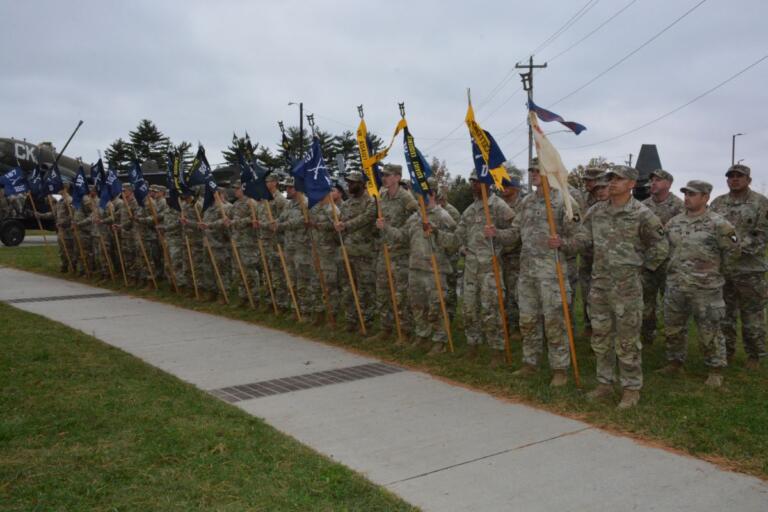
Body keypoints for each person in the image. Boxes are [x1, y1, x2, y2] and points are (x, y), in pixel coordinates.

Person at [560, 165, 668, 408]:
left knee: (628, 340)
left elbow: (660, 247)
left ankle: (631, 388)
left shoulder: (642, 213)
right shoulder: (597, 211)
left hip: (627, 287)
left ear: (631, 184)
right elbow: (583, 239)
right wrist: (562, 243)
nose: (612, 183)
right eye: (610, 179)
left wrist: (639, 271)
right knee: (601, 337)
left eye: (618, 179)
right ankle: (605, 383)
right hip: (600, 286)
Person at [504, 163, 580, 386]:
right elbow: (514, 233)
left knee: (555, 322)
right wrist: (496, 233)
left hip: (551, 275)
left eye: (539, 171)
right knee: (527, 320)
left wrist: (563, 243)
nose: (534, 174)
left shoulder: (565, 202)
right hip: (527, 273)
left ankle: (559, 369)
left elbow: (583, 239)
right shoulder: (526, 202)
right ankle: (530, 362)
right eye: (532, 171)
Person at [659, 180, 739, 387]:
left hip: (706, 288)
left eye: (693, 194)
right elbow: (662, 247)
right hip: (676, 285)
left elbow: (732, 253)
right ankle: (674, 362)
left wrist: (716, 275)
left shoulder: (719, 224)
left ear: (705, 197)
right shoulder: (674, 222)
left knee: (709, 330)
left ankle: (715, 368)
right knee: (673, 327)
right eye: (685, 193)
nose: (687, 197)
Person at [384, 177, 456, 354]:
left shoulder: (443, 216)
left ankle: (440, 340)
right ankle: (422, 335)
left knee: (436, 307)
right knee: (418, 306)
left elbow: (454, 243)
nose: (417, 198)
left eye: (420, 194)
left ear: (431, 194)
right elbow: (403, 236)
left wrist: (436, 231)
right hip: (415, 267)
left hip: (435, 270)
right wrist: (385, 227)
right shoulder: (416, 216)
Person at [453, 170, 515, 367]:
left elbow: (515, 232)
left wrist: (498, 236)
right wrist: (458, 246)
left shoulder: (498, 205)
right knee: (469, 310)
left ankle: (497, 350)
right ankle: (473, 345)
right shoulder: (470, 210)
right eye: (471, 182)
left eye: (477, 181)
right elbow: (458, 235)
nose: (473, 185)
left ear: (487, 183)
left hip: (490, 269)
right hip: (471, 270)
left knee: (492, 311)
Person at [710, 164, 768, 369]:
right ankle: (728, 351)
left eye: (739, 176)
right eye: (731, 176)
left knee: (752, 316)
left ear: (748, 180)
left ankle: (754, 355)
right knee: (724, 314)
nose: (734, 179)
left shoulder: (761, 203)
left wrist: (738, 248)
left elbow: (762, 234)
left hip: (750, 270)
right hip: (725, 270)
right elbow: (711, 232)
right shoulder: (718, 204)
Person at [373, 163, 418, 342]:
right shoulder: (382, 195)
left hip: (401, 253)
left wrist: (390, 228)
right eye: (383, 175)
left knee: (401, 295)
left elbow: (415, 222)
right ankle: (386, 328)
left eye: (388, 175)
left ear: (398, 177)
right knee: (382, 291)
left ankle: (405, 331)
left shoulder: (406, 198)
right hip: (384, 251)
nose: (384, 178)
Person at [641, 169, 684, 345]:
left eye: (658, 180)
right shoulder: (643, 206)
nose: (653, 183)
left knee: (672, 305)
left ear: (668, 183)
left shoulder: (680, 206)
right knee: (645, 303)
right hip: (648, 263)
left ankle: (673, 342)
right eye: (652, 180)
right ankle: (646, 336)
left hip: (671, 264)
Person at [334, 171, 377, 333]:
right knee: (348, 288)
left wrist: (346, 225)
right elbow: (342, 221)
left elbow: (367, 218)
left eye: (352, 183)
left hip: (364, 253)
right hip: (348, 251)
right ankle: (351, 320)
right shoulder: (346, 204)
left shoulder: (371, 202)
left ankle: (367, 322)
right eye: (348, 183)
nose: (349, 185)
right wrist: (339, 225)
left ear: (361, 184)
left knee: (365, 288)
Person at [275, 177, 321, 322]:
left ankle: (306, 311)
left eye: (290, 187)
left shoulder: (306, 204)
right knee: (292, 280)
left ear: (298, 189)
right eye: (286, 187)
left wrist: (282, 225)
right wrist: (274, 223)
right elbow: (281, 219)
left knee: (303, 281)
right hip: (290, 247)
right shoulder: (288, 205)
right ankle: (295, 309)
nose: (287, 190)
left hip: (303, 248)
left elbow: (302, 221)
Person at [499, 169, 524, 337]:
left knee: (516, 292)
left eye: (508, 185)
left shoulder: (523, 205)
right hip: (500, 254)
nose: (504, 188)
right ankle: (506, 323)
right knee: (503, 290)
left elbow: (520, 231)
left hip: (517, 255)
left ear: (516, 188)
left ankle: (517, 325)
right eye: (502, 185)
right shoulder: (498, 204)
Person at [230, 181, 261, 307]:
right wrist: (229, 221)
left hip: (249, 242)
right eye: (234, 189)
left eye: (237, 189)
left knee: (250, 271)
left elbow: (254, 219)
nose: (235, 191)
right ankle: (243, 297)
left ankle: (255, 298)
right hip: (238, 241)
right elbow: (231, 218)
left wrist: (238, 222)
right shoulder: (236, 204)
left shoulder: (251, 202)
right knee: (240, 270)